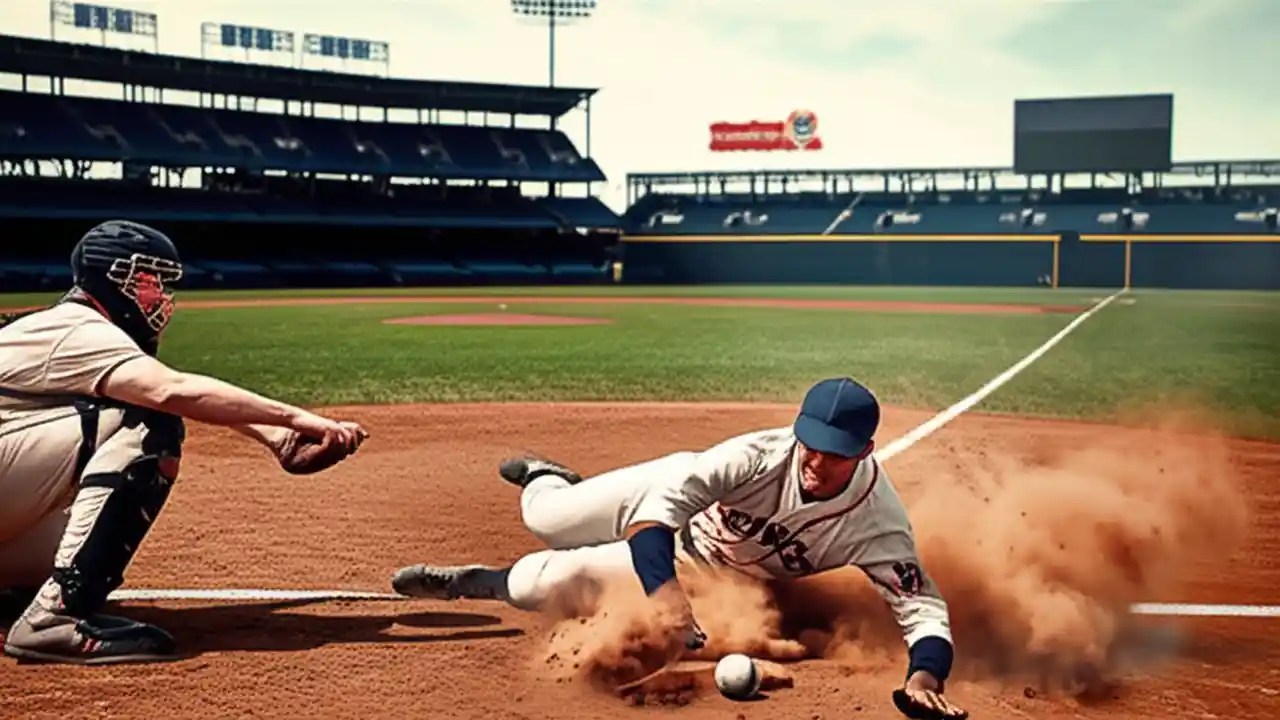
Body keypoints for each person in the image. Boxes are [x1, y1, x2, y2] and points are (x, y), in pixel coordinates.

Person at [391, 376, 967, 719]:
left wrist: (924, 680)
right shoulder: (752, 457)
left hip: (709, 570)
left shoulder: (876, 522)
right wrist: (666, 601)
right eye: (810, 444)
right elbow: (651, 521)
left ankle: (483, 581)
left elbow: (922, 608)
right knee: (547, 516)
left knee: (532, 584)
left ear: (865, 450)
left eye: (835, 452)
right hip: (666, 513)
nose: (816, 462)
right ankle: (548, 475)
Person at [0, 220, 368, 665]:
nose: (158, 296)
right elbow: (169, 392)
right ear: (107, 277)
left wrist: (277, 439)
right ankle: (54, 619)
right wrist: (294, 418)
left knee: (69, 540)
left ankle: (19, 596)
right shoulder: (76, 328)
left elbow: (174, 390)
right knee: (149, 421)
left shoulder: (78, 332)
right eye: (145, 281)